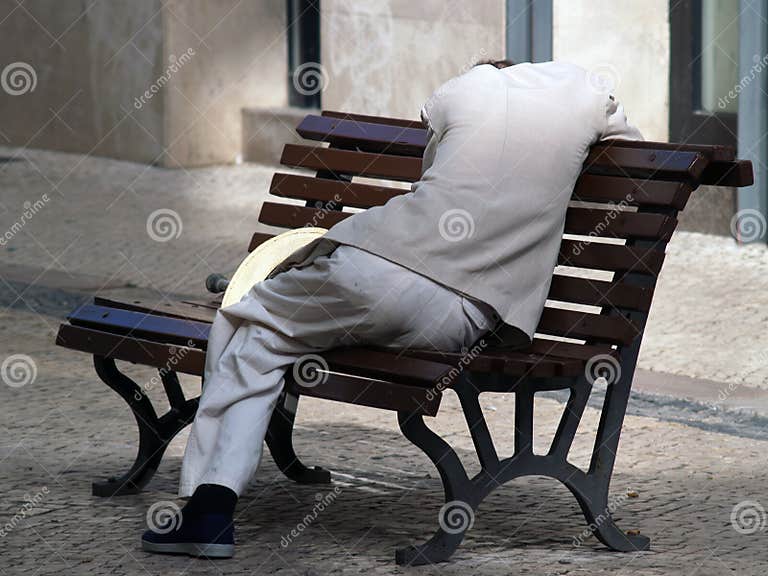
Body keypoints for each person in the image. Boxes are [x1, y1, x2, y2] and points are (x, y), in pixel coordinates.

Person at [141, 58, 643, 558]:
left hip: (377, 273)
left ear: (485, 69)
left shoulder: (462, 90)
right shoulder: (585, 91)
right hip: (465, 316)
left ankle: (208, 510)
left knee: (251, 326)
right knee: (286, 327)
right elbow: (638, 152)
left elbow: (431, 178)